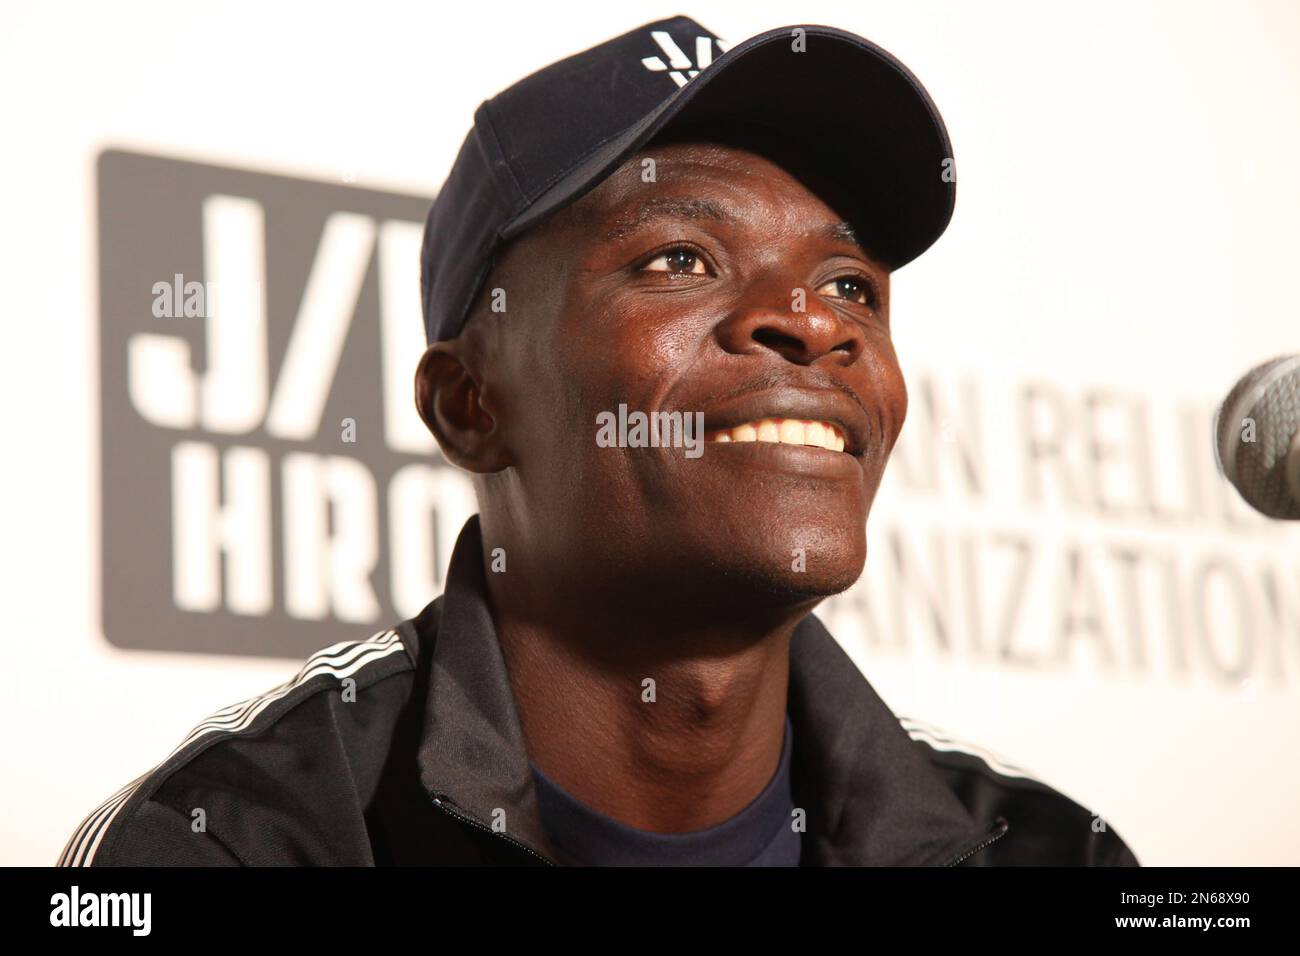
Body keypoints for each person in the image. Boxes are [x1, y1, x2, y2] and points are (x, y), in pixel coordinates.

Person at [60, 15, 1139, 867]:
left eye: (850, 283)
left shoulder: (1049, 852)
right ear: (470, 406)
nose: (814, 321)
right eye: (679, 258)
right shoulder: (236, 837)